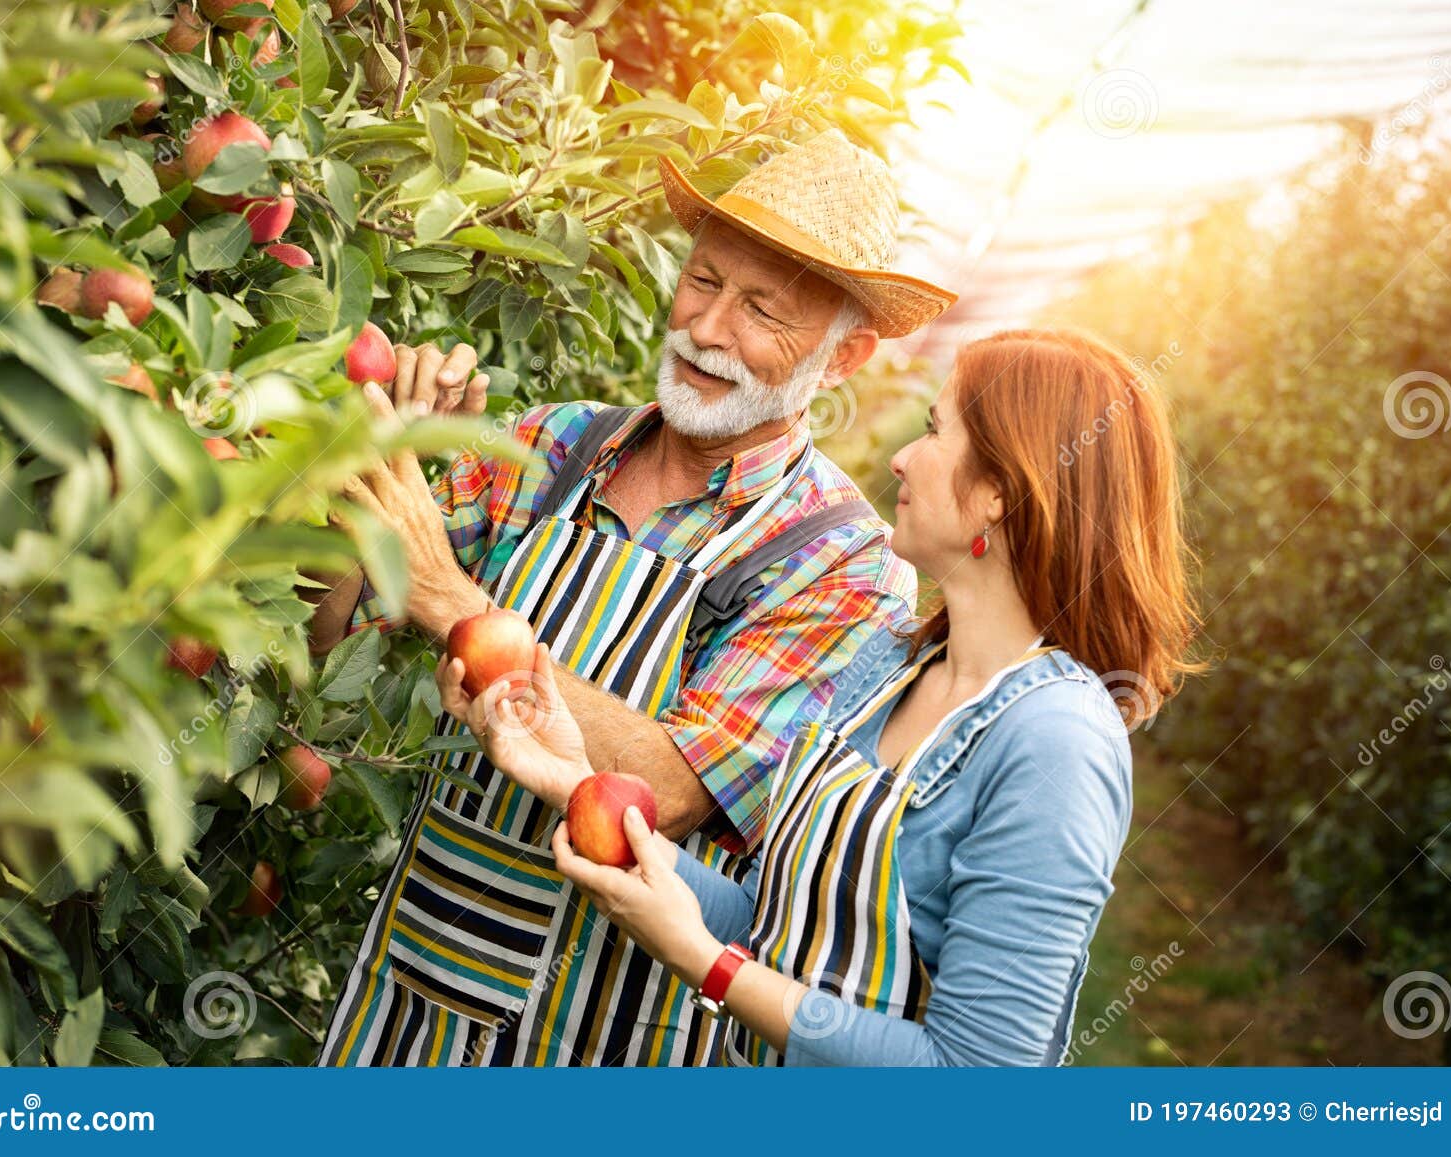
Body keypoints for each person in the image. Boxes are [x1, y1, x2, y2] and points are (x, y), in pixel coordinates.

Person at [316, 131, 960, 1066]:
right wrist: (374, 466)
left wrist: (451, 599)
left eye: (760, 312)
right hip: (408, 1006)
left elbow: (667, 791)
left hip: (609, 1035)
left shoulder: (841, 565)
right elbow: (325, 634)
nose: (705, 329)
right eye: (702, 282)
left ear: (846, 354)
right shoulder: (556, 443)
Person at [440, 328, 1202, 1065]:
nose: (902, 459)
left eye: (936, 433)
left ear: (999, 493)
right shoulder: (890, 670)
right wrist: (577, 779)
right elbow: (778, 929)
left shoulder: (1055, 740)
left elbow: (974, 1071)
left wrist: (708, 964)